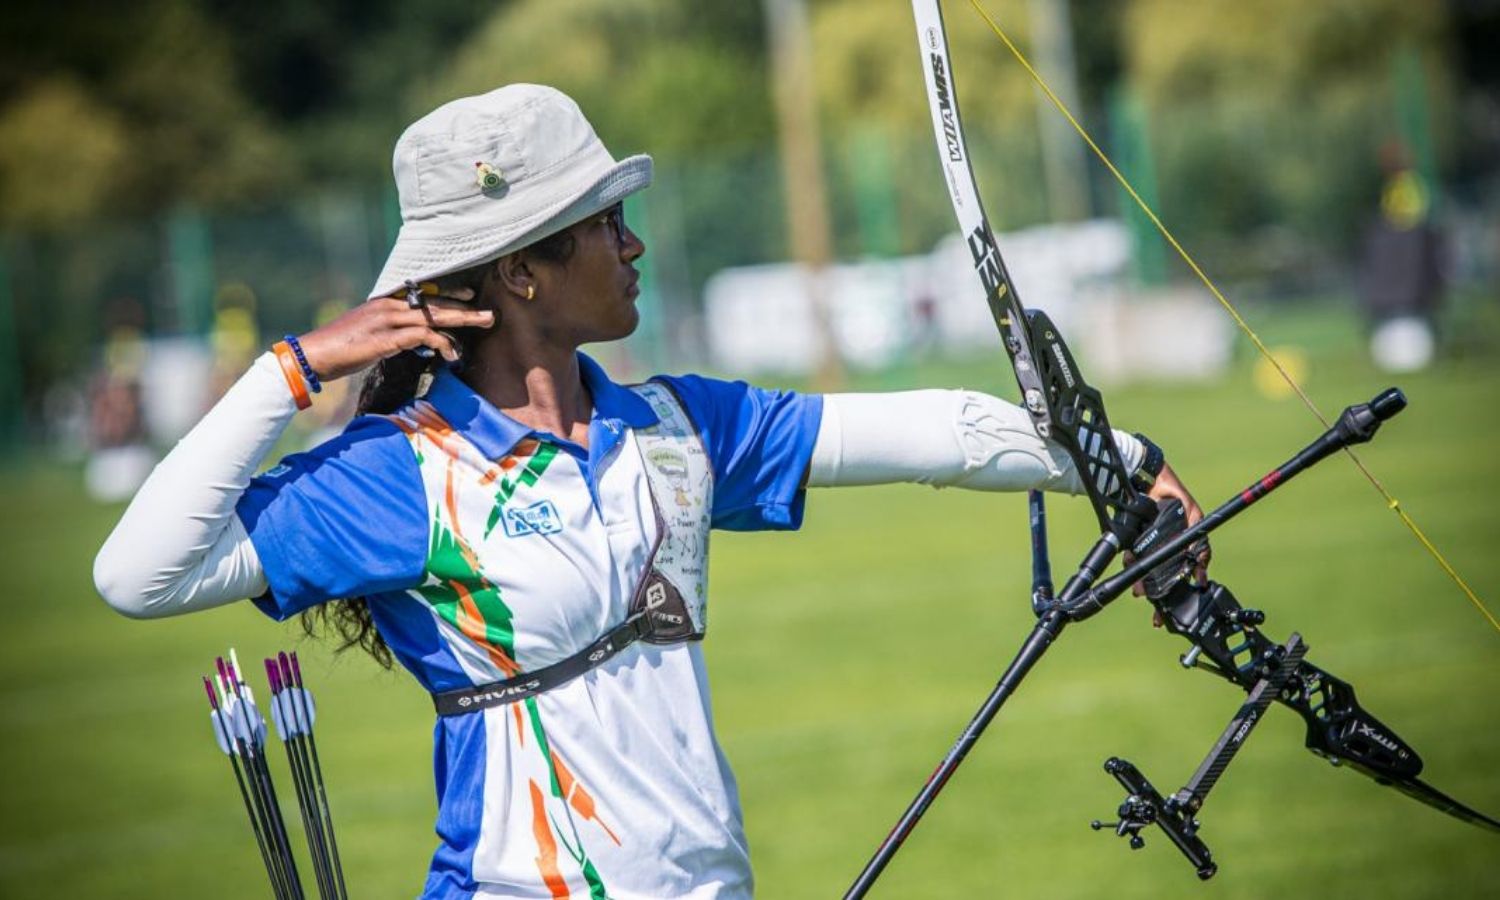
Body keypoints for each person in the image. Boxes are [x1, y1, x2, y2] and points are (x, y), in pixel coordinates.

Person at [95, 85, 1204, 899]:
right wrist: (291, 372)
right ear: (521, 269)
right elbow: (137, 575)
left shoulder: (673, 424)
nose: (633, 244)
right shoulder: (401, 473)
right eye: (602, 223)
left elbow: (935, 432)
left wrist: (1120, 461)